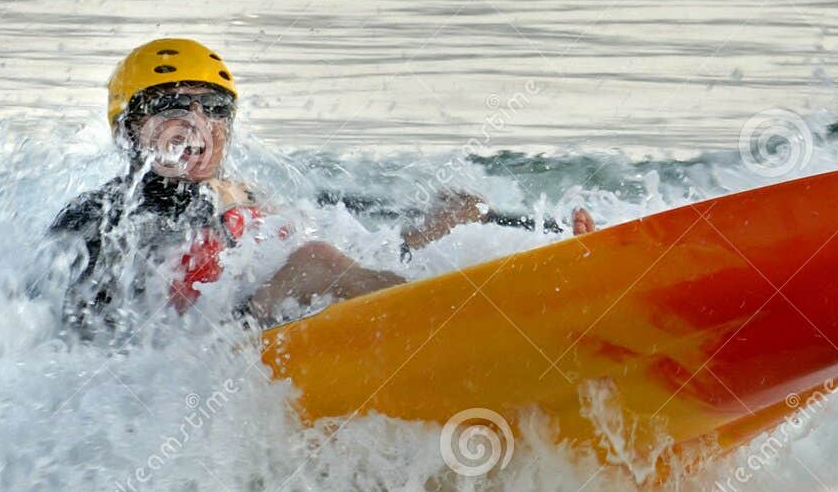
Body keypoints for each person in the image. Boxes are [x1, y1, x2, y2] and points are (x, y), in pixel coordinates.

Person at [47, 38, 590, 335]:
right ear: (128, 131)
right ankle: (485, 326)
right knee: (314, 261)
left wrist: (434, 230)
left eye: (213, 108)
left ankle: (558, 266)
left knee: (445, 219)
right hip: (193, 366)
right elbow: (76, 334)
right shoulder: (99, 217)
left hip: (262, 331)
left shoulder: (244, 197)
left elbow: (356, 239)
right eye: (171, 106)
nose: (196, 124)